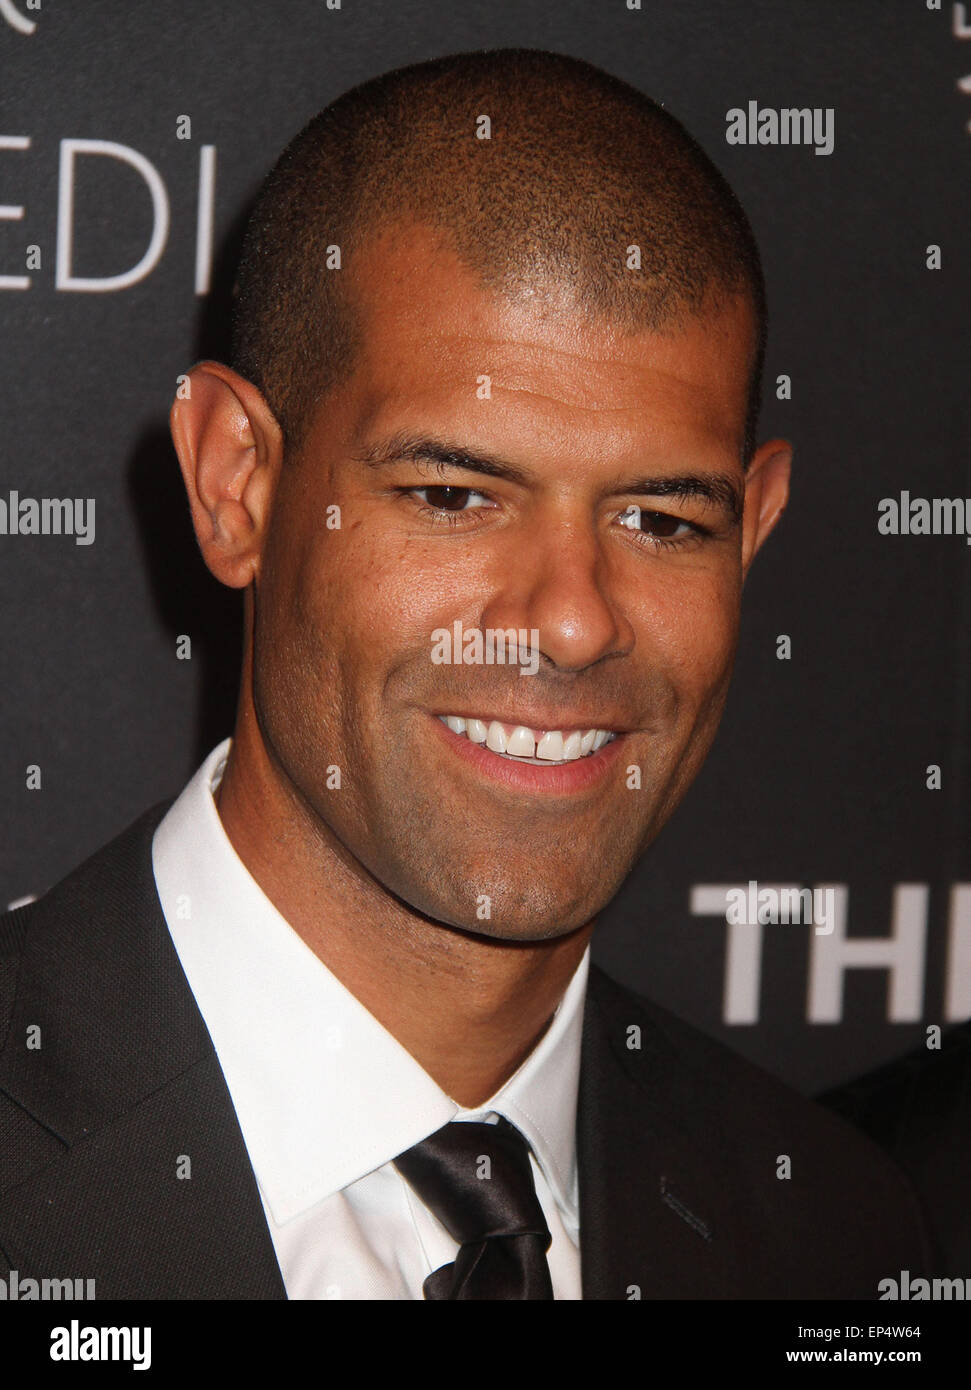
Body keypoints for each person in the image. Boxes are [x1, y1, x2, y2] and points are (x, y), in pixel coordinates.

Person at [0, 48, 933, 1300]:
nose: (571, 623)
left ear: (752, 531)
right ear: (237, 485)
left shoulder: (834, 1235)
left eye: (661, 519)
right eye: (451, 495)